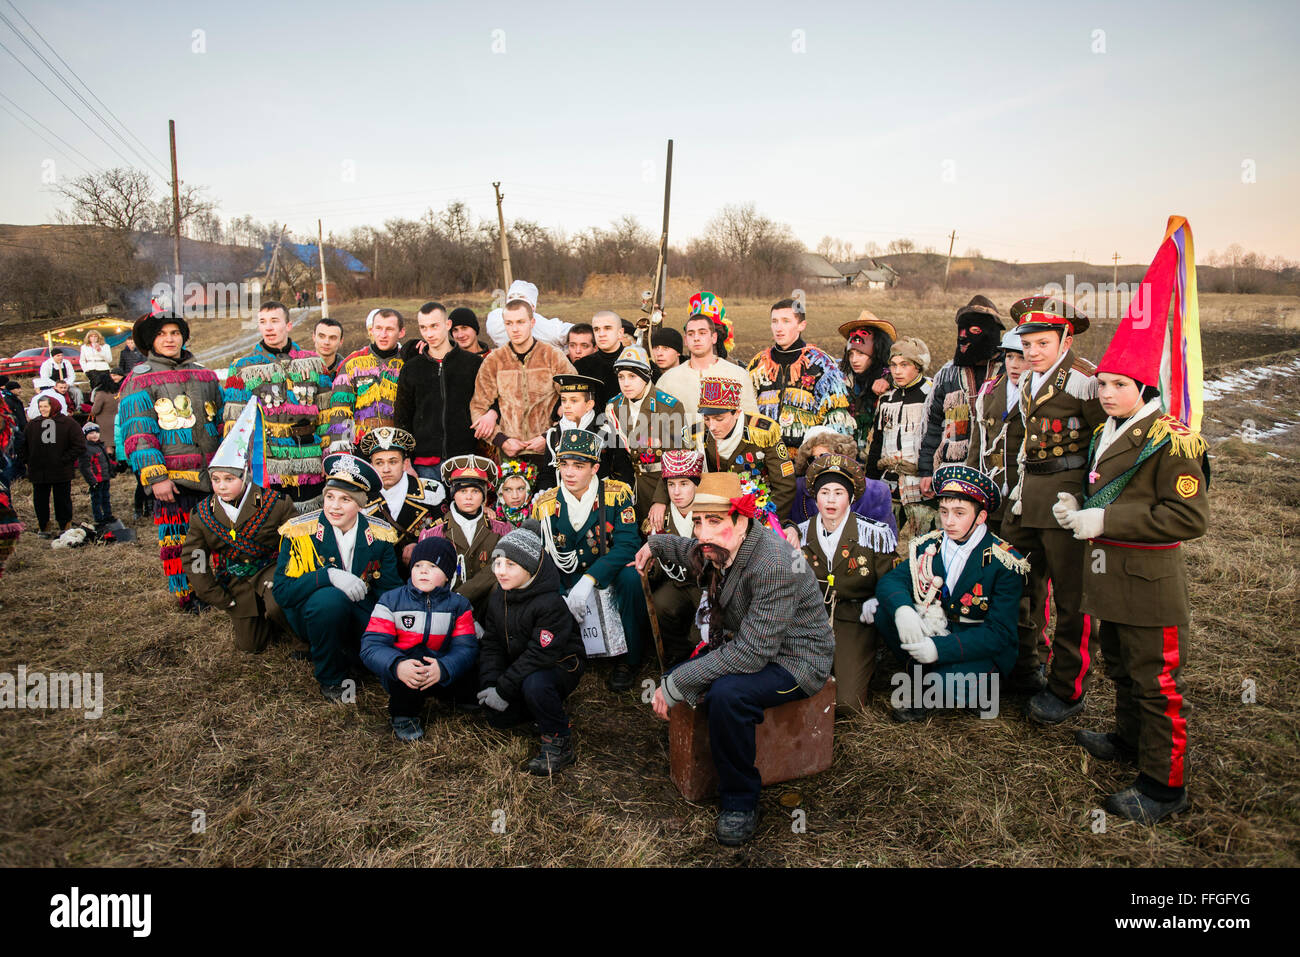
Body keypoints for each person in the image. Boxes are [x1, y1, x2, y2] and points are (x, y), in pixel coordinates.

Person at [1056, 270, 1209, 824]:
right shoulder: (1109, 430)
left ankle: (1164, 787)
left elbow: (1188, 516)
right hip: (1109, 577)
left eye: (1119, 385)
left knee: (1156, 684)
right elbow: (1100, 485)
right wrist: (1076, 505)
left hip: (1148, 585)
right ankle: (1126, 739)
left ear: (1145, 388)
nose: (1107, 393)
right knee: (1119, 668)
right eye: (1103, 384)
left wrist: (1107, 517)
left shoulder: (1172, 440)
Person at [637, 470, 835, 847]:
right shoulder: (721, 543)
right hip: (753, 645)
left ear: (742, 520)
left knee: (727, 695)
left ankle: (740, 800)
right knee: (694, 678)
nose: (703, 533)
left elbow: (751, 653)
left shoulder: (774, 564)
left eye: (714, 521)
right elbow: (689, 549)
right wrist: (656, 544)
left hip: (796, 659)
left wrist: (678, 682)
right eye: (697, 521)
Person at [1002, 296, 1105, 723]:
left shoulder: (1085, 380)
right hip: (1028, 496)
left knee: (1071, 597)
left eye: (1042, 342)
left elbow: (1105, 445)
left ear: (1065, 339)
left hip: (1067, 500)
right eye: (1027, 345)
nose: (1032, 352)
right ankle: (1025, 666)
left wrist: (1090, 502)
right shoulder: (1029, 380)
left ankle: (1067, 688)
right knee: (1019, 583)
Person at [875, 465, 1026, 721]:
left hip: (975, 646)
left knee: (942, 686)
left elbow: (1000, 634)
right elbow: (891, 582)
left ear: (980, 517)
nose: (949, 521)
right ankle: (922, 671)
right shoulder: (928, 545)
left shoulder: (1005, 562)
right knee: (884, 610)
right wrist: (903, 610)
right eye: (944, 512)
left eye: (959, 513)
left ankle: (966, 684)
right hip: (935, 628)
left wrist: (939, 649)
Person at [272, 453, 403, 703]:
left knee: (385, 659)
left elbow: (389, 589)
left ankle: (351, 653)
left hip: (360, 611)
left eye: (345, 499)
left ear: (361, 504)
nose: (334, 506)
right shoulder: (300, 532)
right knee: (330, 601)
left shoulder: (380, 534)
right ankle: (332, 677)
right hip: (316, 613)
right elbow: (283, 592)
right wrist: (327, 575)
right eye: (329, 497)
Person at [117, 311, 224, 609]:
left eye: (175, 333)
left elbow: (223, 422)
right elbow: (138, 435)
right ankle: (190, 596)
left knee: (214, 539)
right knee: (181, 542)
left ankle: (217, 590)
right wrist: (156, 477)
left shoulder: (205, 374)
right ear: (151, 340)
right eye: (162, 334)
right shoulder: (139, 380)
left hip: (212, 477)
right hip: (174, 480)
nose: (169, 338)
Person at [531, 428, 645, 692]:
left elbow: (629, 544)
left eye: (578, 466)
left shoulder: (616, 494)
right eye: (564, 464)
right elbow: (543, 555)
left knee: (630, 577)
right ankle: (564, 649)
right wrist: (560, 592)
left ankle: (629, 658)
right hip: (565, 576)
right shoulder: (546, 503)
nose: (569, 473)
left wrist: (589, 579)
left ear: (595, 467)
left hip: (605, 573)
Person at [180, 401, 298, 654]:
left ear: (245, 477)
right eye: (215, 479)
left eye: (229, 479)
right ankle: (264, 617)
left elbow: (297, 542)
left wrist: (289, 577)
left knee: (280, 606)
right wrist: (215, 595)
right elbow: (195, 558)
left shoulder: (275, 504)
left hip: (271, 570)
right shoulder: (202, 515)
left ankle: (298, 633)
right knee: (250, 647)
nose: (221, 486)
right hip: (235, 578)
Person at [478, 520, 587, 775]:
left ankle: (558, 739)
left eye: (510, 565)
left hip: (558, 665)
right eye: (498, 563)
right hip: (519, 661)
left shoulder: (550, 604)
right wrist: (490, 683)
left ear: (530, 568)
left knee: (535, 685)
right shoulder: (499, 595)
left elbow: (539, 654)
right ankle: (534, 709)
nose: (500, 571)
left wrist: (504, 689)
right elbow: (492, 643)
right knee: (497, 717)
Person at [797, 454, 898, 713]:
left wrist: (878, 599)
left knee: (845, 704)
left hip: (854, 619)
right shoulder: (798, 535)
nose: (831, 500)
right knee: (796, 691)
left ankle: (866, 660)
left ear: (851, 498)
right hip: (809, 620)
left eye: (839, 493)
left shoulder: (874, 535)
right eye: (825, 492)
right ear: (815, 497)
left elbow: (890, 581)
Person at [361, 535, 480, 741]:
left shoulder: (459, 605)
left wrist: (444, 668)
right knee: (411, 667)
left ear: (447, 576)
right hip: (407, 670)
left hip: (439, 666)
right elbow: (372, 646)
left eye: (433, 566)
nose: (423, 570)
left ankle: (458, 696)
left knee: (473, 667)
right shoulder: (391, 600)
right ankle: (404, 716)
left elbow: (466, 647)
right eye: (418, 565)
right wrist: (397, 666)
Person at [223, 301, 333, 510]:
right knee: (271, 518)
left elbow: (326, 415)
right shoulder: (242, 367)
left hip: (309, 458)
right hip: (267, 462)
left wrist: (328, 457)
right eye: (263, 322)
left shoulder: (314, 362)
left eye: (274, 321)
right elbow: (235, 423)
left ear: (288, 325)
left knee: (309, 516)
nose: (269, 327)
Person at [470, 294, 576, 476]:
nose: (515, 329)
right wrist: (500, 440)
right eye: (509, 323)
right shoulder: (494, 361)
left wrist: (551, 436)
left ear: (532, 322)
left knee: (549, 502)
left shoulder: (552, 355)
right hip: (510, 453)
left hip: (550, 450)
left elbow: (576, 399)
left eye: (520, 322)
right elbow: (478, 407)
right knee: (514, 504)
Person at [682, 376, 796, 535]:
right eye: (707, 419)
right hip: (718, 519)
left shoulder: (763, 431)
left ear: (737, 413)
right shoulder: (698, 434)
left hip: (761, 518)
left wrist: (764, 520)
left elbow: (785, 485)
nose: (712, 426)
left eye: (719, 418)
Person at [919, 296, 1006, 493]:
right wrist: (925, 471)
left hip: (997, 471)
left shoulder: (1009, 372)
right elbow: (933, 425)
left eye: (974, 331)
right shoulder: (948, 375)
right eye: (962, 331)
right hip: (953, 471)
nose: (964, 337)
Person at [747, 298, 853, 451]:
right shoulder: (758, 365)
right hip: (763, 454)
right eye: (774, 321)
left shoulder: (821, 364)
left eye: (786, 321)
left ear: (801, 325)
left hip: (805, 457)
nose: (779, 328)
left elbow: (835, 417)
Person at [394, 301, 483, 479]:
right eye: (423, 328)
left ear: (447, 325)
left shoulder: (472, 364)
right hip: (424, 463)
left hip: (464, 459)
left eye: (434, 326)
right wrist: (405, 459)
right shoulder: (411, 368)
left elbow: (489, 401)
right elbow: (402, 417)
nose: (429, 334)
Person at [418, 455, 512, 620]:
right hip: (445, 607)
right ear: (453, 494)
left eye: (475, 491)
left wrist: (462, 595)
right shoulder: (434, 532)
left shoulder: (500, 528)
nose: (468, 497)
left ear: (484, 495)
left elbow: (499, 567)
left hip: (487, 606)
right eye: (462, 491)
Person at [866, 336, 935, 549]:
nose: (897, 371)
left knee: (922, 543)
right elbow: (877, 442)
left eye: (904, 365)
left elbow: (935, 440)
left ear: (918, 366)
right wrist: (871, 482)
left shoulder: (931, 395)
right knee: (884, 542)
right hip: (889, 482)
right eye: (894, 365)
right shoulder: (887, 399)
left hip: (919, 484)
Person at [605, 345, 685, 527]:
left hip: (658, 486)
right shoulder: (614, 406)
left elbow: (677, 459)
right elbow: (617, 453)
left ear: (646, 376)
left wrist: (661, 500)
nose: (625, 383)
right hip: (627, 489)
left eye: (632, 376)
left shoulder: (669, 407)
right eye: (621, 377)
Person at [656, 294, 758, 426]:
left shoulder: (738, 375)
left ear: (714, 337)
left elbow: (751, 422)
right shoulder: (667, 381)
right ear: (686, 340)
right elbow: (657, 427)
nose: (696, 338)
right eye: (691, 334)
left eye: (702, 333)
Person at [644, 450, 705, 666]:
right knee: (660, 605)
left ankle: (699, 659)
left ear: (697, 484)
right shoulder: (663, 516)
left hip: (705, 584)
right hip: (677, 583)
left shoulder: (708, 511)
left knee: (702, 629)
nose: (676, 492)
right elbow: (663, 564)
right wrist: (651, 568)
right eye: (671, 485)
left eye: (684, 483)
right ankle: (678, 655)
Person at [966, 328, 1028, 535]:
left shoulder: (1036, 391)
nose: (1014, 364)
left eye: (1021, 357)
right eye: (1009, 356)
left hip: (1019, 486)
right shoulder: (990, 388)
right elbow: (978, 442)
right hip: (991, 481)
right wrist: (971, 483)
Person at [359, 427, 446, 569]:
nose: (386, 469)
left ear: (405, 464)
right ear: (371, 466)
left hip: (420, 573)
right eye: (379, 463)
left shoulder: (431, 492)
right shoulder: (361, 497)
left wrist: (421, 545)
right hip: (378, 576)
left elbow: (444, 531)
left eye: (393, 462)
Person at [789, 425, 897, 533]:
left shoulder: (875, 492)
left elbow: (886, 540)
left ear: (840, 454)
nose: (818, 464)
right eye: (812, 458)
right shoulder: (798, 490)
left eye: (824, 456)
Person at [327, 307, 405, 446]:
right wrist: (341, 447)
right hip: (360, 443)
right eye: (378, 328)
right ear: (372, 330)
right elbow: (341, 409)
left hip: (398, 443)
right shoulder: (352, 363)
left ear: (401, 332)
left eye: (389, 329)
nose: (383, 334)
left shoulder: (408, 363)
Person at [24, 395, 85, 537]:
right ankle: (44, 526)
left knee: (62, 499)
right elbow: (23, 445)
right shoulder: (33, 425)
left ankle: (65, 526)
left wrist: (64, 459)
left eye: (46, 406)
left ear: (54, 406)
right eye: (40, 407)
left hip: (60, 470)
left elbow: (79, 445)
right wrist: (28, 460)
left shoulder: (68, 423)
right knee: (40, 500)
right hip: (39, 471)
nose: (43, 409)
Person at [838, 311, 896, 457]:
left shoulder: (892, 376)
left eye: (861, 354)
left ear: (875, 351)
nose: (854, 360)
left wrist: (889, 380)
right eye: (851, 354)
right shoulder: (843, 379)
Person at [484, 279, 572, 349]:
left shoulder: (547, 329)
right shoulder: (495, 321)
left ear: (533, 307)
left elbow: (568, 331)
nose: (515, 300)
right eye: (511, 297)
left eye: (521, 297)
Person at [572, 310, 626, 410]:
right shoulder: (582, 366)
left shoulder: (637, 362)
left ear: (620, 333)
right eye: (596, 329)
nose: (601, 334)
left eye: (607, 328)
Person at [77, 422, 115, 528]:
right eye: (91, 433)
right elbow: (85, 467)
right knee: (97, 499)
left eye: (96, 432)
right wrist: (92, 481)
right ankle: (99, 518)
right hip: (96, 480)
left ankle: (108, 515)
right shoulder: (86, 449)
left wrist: (113, 468)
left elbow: (106, 461)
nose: (94, 435)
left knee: (106, 497)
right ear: (85, 435)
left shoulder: (100, 446)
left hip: (104, 478)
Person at [495, 458, 538, 528]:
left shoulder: (539, 513)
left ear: (528, 490)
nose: (515, 496)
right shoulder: (491, 515)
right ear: (500, 493)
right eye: (508, 490)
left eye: (520, 489)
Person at [312, 317, 346, 381]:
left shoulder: (349, 370)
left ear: (341, 341)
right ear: (314, 337)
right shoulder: (300, 368)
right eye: (321, 336)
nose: (326, 342)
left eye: (333, 338)